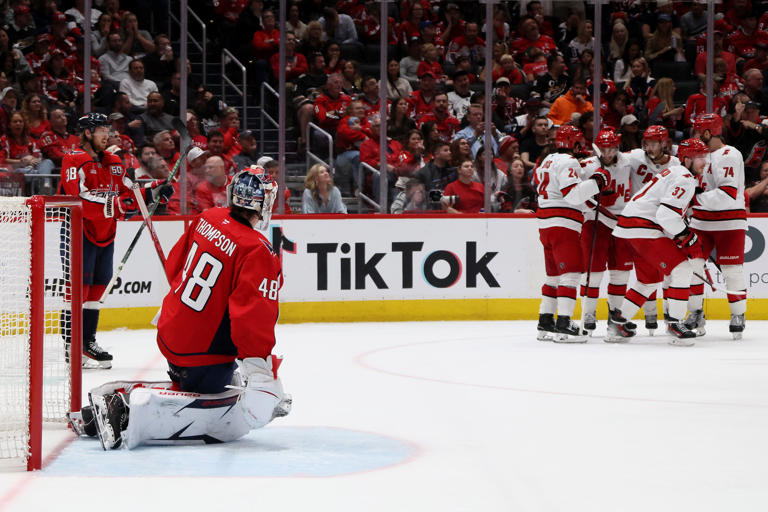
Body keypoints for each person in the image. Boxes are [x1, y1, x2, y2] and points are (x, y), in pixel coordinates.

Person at [69, 168, 290, 449]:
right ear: (259, 203)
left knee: (223, 378)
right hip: (202, 356)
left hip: (170, 332)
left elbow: (176, 267)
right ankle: (125, 412)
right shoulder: (258, 249)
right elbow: (251, 318)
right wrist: (259, 371)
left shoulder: (208, 217)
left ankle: (131, 399)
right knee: (219, 395)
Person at [59, 113, 172, 368]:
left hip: (105, 233)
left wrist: (155, 189)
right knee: (78, 290)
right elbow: (78, 200)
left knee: (97, 290)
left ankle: (87, 341)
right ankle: (70, 345)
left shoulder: (113, 161)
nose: (107, 135)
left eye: (108, 130)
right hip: (79, 231)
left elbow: (127, 190)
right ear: (87, 132)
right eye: (101, 130)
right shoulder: (74, 159)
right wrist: (118, 204)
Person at [606, 139, 710, 346]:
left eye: (705, 157)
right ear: (686, 159)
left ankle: (618, 324)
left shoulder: (674, 173)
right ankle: (675, 323)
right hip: (643, 226)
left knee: (648, 280)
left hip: (630, 226)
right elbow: (665, 215)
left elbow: (665, 214)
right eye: (699, 158)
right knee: (682, 268)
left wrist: (680, 235)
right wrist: (687, 236)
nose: (704, 162)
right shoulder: (685, 178)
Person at [535, 125, 609, 343]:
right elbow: (573, 195)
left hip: (545, 223)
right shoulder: (569, 162)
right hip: (563, 223)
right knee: (572, 274)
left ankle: (545, 320)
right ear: (575, 144)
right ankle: (564, 323)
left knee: (553, 276)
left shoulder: (547, 160)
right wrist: (597, 182)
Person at [686, 113, 748, 339]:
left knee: (732, 271)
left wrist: (694, 200)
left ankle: (738, 314)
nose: (694, 136)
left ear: (707, 132)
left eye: (697, 132)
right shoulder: (697, 154)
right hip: (702, 221)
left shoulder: (729, 154)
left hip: (729, 220)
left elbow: (728, 194)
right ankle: (695, 313)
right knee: (692, 267)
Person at [577, 130, 635, 334]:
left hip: (622, 224)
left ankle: (616, 314)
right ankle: (588, 313)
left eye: (611, 148)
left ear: (617, 147)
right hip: (596, 221)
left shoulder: (629, 161)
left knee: (621, 272)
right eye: (603, 149)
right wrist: (594, 199)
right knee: (594, 273)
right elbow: (575, 194)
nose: (607, 153)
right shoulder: (587, 167)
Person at [626, 125, 681, 330]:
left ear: (664, 144)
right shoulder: (634, 157)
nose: (649, 148)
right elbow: (610, 156)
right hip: (643, 223)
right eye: (647, 143)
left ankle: (668, 313)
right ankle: (650, 314)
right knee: (647, 272)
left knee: (670, 272)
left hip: (667, 223)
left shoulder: (676, 164)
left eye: (654, 143)